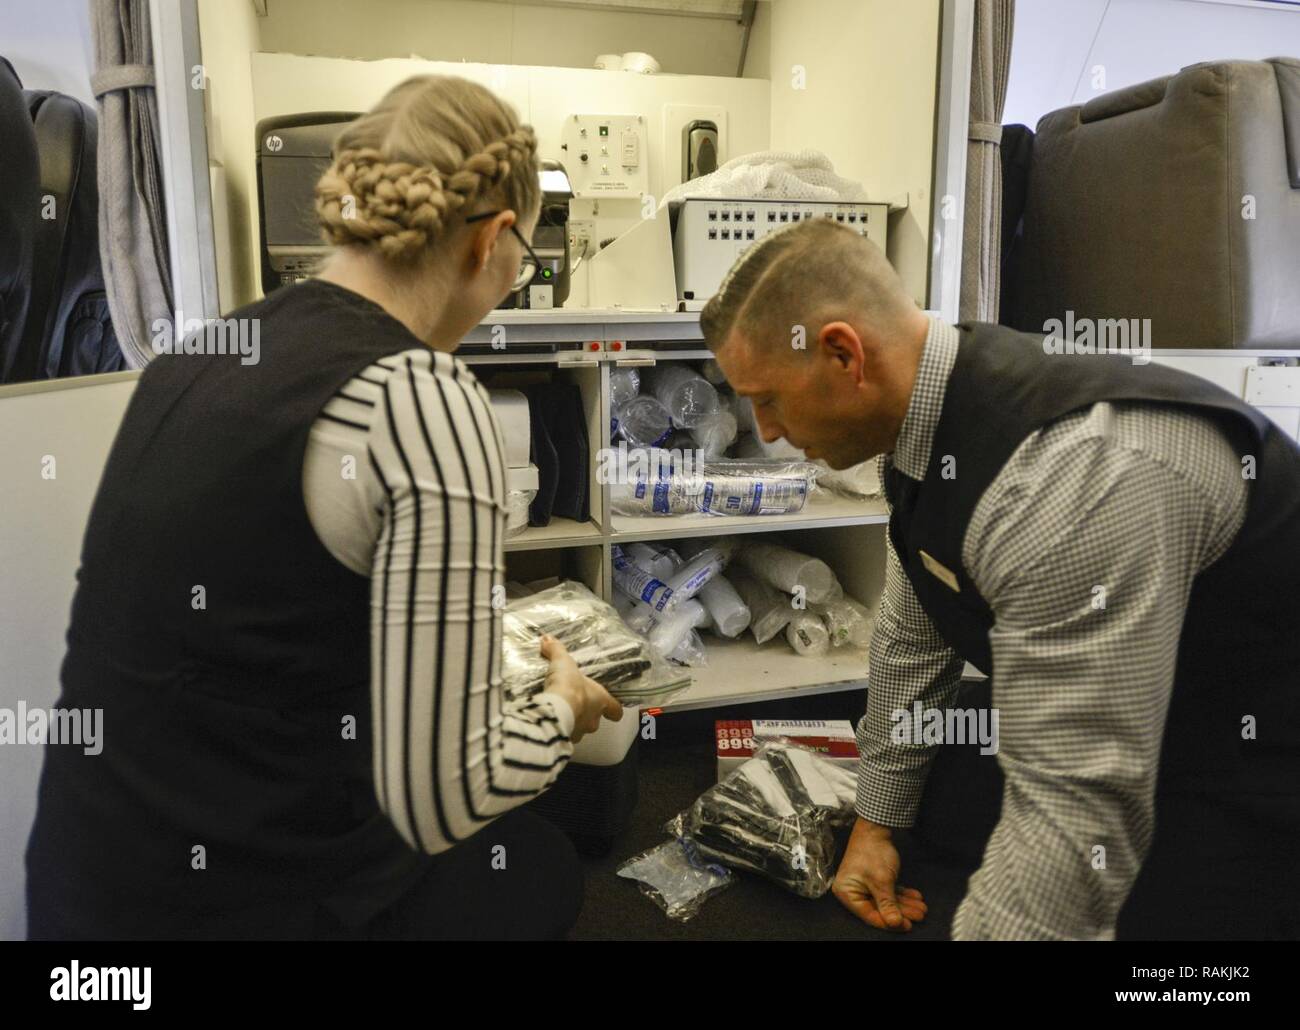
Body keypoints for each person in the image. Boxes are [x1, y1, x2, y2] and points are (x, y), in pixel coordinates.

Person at [25, 74, 621, 941]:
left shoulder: (189, 362)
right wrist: (562, 705)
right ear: (492, 241)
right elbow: (448, 797)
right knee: (535, 866)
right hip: (246, 909)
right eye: (521, 263)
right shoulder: (421, 392)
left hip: (83, 902)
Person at [701, 217, 1300, 940]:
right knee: (938, 796)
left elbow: (1073, 812)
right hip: (1151, 699)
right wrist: (876, 824)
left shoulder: (1067, 480)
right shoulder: (930, 416)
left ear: (843, 355)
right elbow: (912, 631)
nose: (763, 430)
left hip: (1252, 747)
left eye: (767, 399)